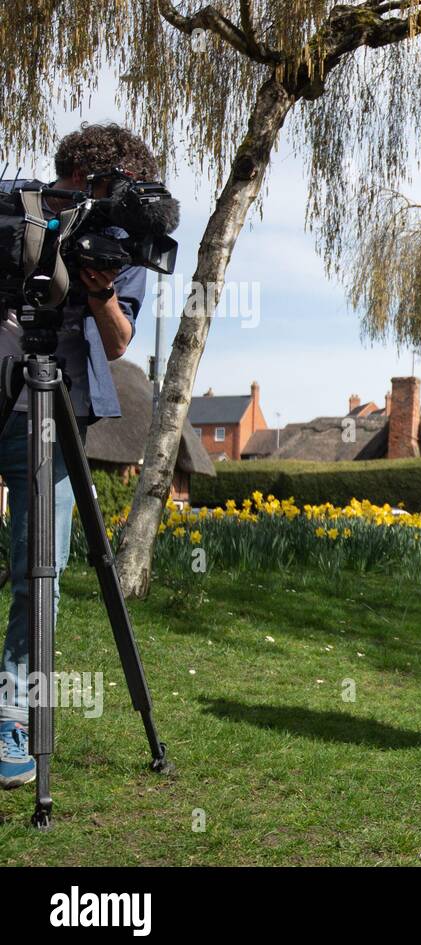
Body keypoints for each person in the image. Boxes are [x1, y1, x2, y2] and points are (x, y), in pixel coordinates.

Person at [0, 122, 153, 789]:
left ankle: (12, 714)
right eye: (87, 192)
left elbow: (119, 343)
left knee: (41, 569)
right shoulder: (14, 208)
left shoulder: (123, 239)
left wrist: (97, 285)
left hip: (56, 408)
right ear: (71, 178)